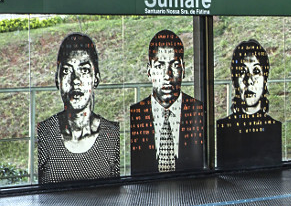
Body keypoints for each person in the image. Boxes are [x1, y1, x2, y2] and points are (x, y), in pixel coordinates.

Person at [36, 33, 120, 184]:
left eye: (84, 70)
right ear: (57, 80)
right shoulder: (45, 133)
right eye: (67, 71)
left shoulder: (112, 135)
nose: (75, 80)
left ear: (96, 79)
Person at [129, 30, 206, 175]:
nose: (167, 75)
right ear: (149, 70)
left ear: (183, 69)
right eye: (159, 66)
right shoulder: (138, 113)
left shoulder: (197, 110)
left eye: (174, 65)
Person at [216, 40, 282, 169]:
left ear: (265, 81)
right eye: (242, 72)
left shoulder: (274, 127)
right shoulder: (224, 126)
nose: (249, 80)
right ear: (234, 81)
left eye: (256, 72)